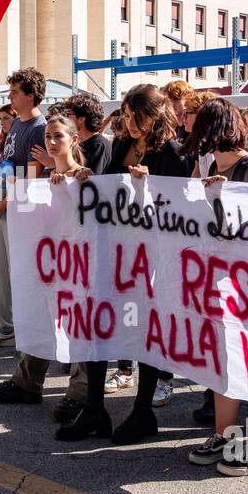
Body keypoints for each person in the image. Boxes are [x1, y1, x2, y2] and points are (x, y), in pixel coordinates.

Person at [56, 84, 189, 445]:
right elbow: (106, 190)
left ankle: (142, 410)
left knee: (145, 332)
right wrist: (81, 177)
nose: (130, 123)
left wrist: (150, 187)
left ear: (156, 115)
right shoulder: (119, 146)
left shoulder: (174, 154)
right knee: (101, 326)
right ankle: (95, 408)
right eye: (127, 116)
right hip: (115, 254)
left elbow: (179, 208)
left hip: (152, 260)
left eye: (137, 116)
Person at [184, 99, 248, 475]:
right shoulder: (208, 163)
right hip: (218, 276)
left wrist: (233, 198)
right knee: (224, 358)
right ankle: (224, 434)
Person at [0, 116, 92, 417]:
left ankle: (80, 392)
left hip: (77, 265)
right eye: (48, 136)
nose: (52, 142)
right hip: (49, 264)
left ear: (73, 140)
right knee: (41, 315)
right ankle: (28, 380)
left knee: (76, 326)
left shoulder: (86, 177)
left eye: (58, 137)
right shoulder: (44, 178)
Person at [0, 68, 47, 348]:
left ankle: (27, 335)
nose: (9, 96)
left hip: (19, 212)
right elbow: (12, 168)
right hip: (2, 206)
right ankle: (5, 329)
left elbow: (30, 179)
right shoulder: (17, 125)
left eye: (14, 92)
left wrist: (0, 207)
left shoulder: (38, 128)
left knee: (19, 275)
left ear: (30, 95)